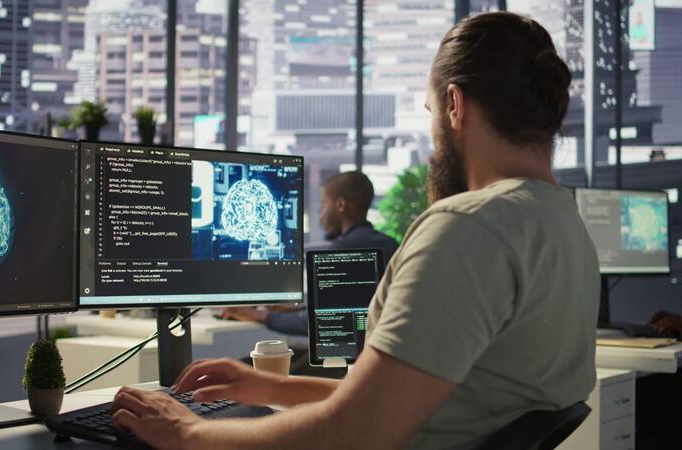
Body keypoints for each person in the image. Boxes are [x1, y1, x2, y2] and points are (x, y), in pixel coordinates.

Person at [109, 12, 600, 450]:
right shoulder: (562, 225)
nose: (432, 143)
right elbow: (415, 401)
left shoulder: (467, 228)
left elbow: (353, 434)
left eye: (431, 115)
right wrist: (274, 388)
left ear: (455, 104)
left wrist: (187, 433)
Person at [220, 170, 399, 336]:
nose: (321, 214)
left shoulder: (343, 250)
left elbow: (317, 322)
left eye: (323, 204)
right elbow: (356, 307)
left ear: (340, 205)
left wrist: (256, 315)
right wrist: (294, 309)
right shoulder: (390, 245)